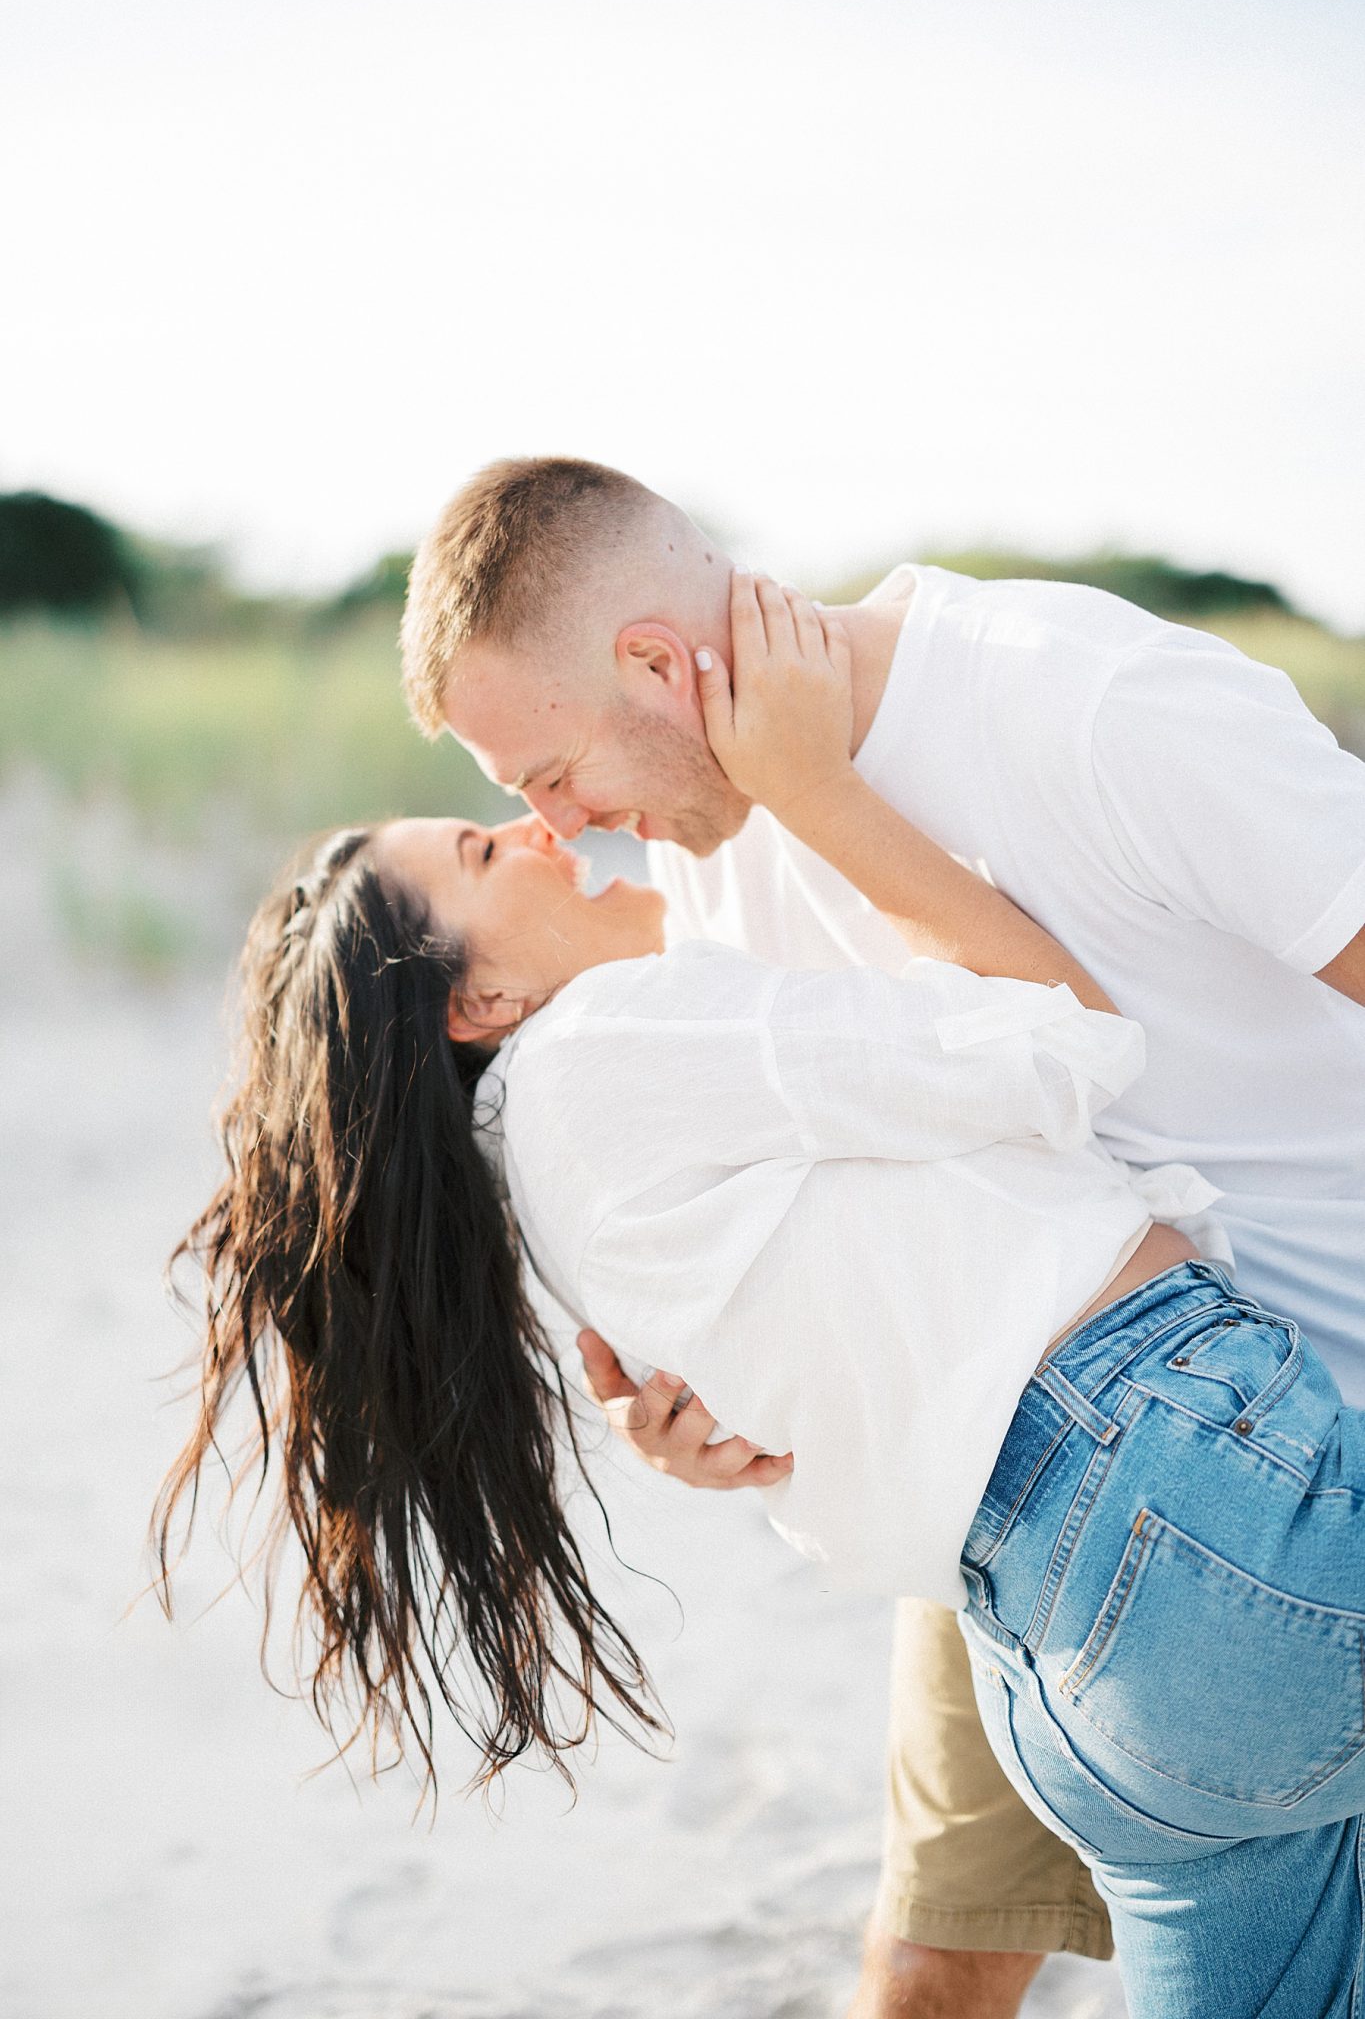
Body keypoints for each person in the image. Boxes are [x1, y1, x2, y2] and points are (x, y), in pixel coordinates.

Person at [158, 585, 1365, 2017]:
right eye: (500, 830)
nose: (557, 827)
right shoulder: (620, 1034)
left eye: (536, 788)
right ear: (471, 1008)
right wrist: (819, 789)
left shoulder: (563, 1137)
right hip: (1191, 1503)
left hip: (1065, 1643)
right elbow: (1063, 1035)